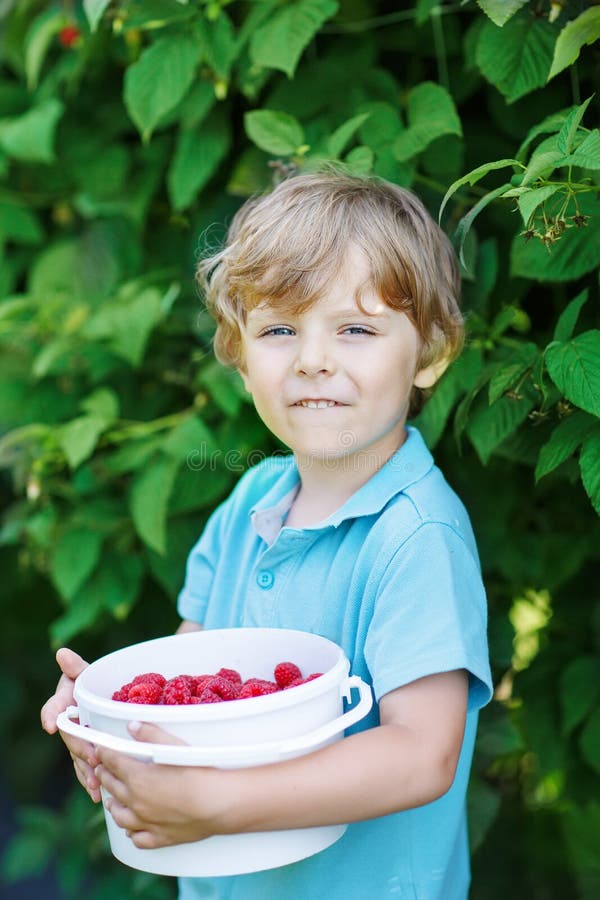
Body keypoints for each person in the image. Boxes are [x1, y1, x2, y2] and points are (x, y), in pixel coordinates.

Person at [41, 170, 493, 900]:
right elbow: (186, 695)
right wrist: (110, 725)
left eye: (355, 328)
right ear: (237, 351)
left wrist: (215, 805)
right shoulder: (248, 502)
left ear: (433, 352)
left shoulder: (416, 537)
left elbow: (419, 755)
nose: (313, 358)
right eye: (280, 329)